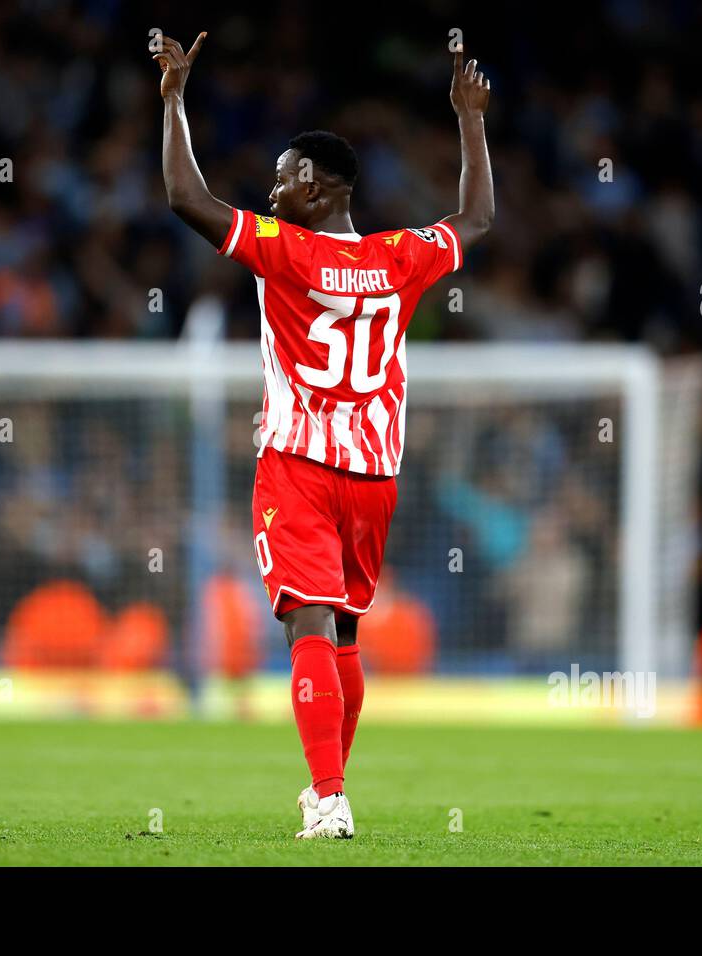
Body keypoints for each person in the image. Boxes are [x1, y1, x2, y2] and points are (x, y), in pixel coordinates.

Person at [154, 31, 493, 838]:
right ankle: (328, 790)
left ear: (313, 183)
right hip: (374, 475)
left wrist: (172, 101)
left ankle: (330, 798)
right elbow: (477, 217)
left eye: (279, 178)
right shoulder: (401, 257)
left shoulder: (289, 253)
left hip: (299, 465)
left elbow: (184, 199)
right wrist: (469, 120)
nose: (271, 192)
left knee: (307, 623)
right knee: (344, 631)